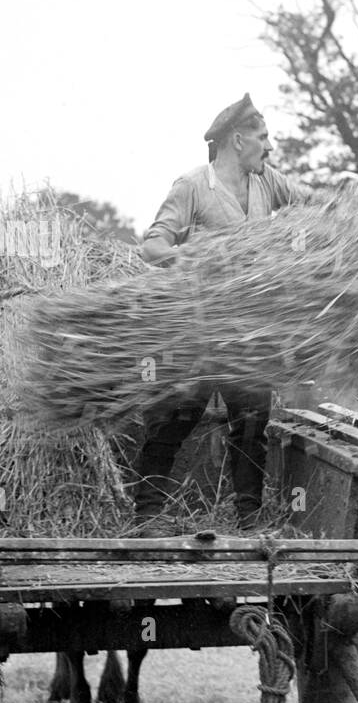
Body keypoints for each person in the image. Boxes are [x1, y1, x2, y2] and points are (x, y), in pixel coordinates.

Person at [131, 95, 311, 526]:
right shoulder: (193, 186)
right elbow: (153, 246)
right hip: (197, 327)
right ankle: (148, 515)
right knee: (175, 419)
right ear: (237, 140)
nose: (269, 148)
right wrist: (198, 265)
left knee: (251, 427)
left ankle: (248, 521)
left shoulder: (269, 182)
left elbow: (316, 204)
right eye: (263, 138)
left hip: (249, 332)